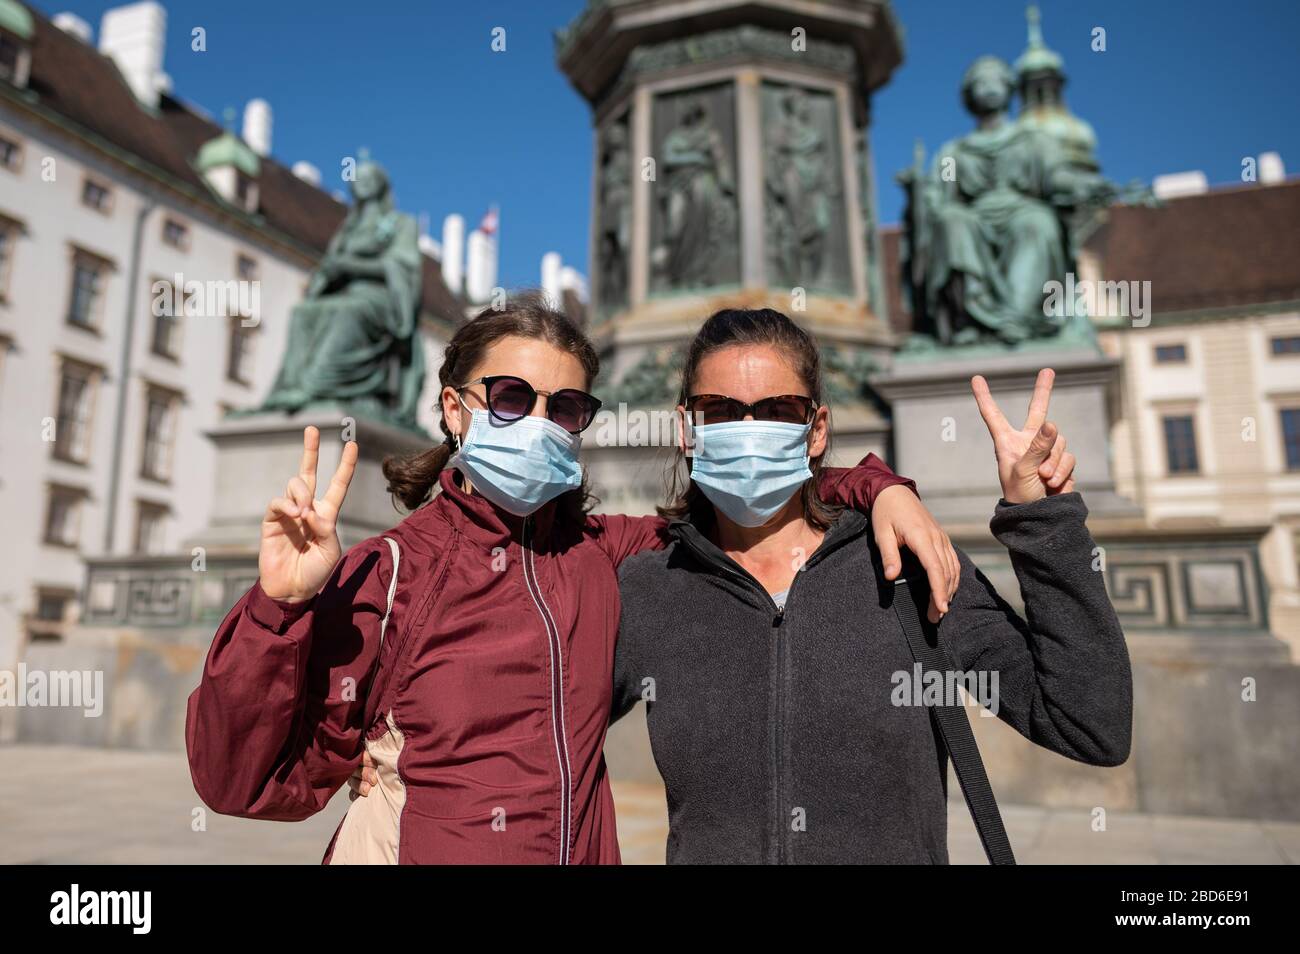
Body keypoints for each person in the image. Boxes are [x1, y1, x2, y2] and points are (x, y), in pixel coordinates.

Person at [185, 292, 959, 864]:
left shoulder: (603, 552)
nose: (539, 421)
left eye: (564, 408)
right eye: (511, 397)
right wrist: (277, 610)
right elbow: (244, 784)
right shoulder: (388, 574)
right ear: (455, 409)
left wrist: (877, 486)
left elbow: (745, 509)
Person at [608, 307, 1133, 863]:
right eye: (720, 411)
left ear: (816, 430)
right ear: (687, 429)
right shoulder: (650, 588)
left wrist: (1044, 523)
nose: (749, 432)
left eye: (779, 411)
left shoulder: (908, 565)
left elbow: (1087, 724)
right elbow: (552, 735)